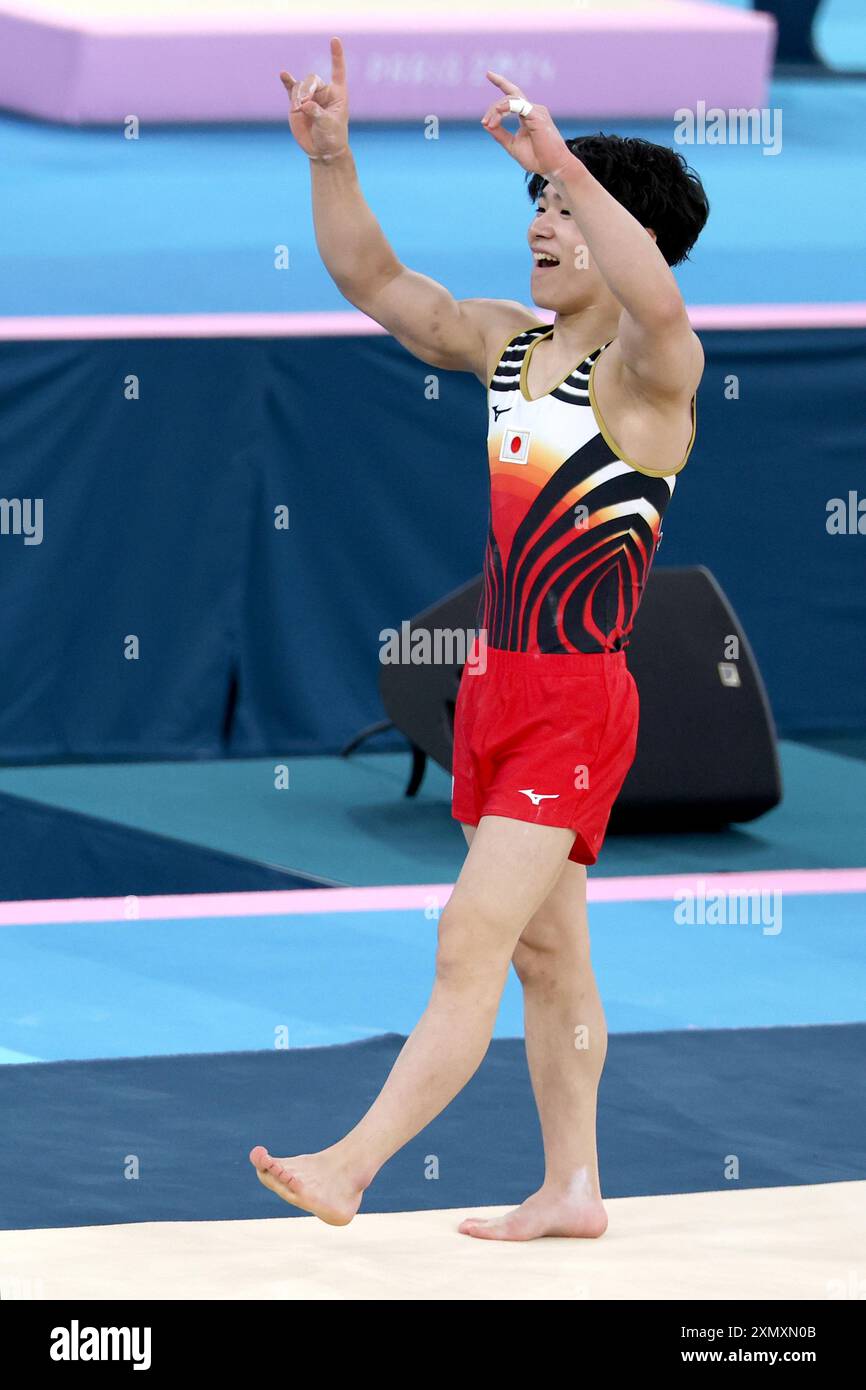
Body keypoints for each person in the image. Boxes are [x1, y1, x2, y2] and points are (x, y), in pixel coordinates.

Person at [250, 36, 709, 1241]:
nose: (539, 227)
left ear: (624, 237)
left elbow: (655, 299)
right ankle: (572, 1189)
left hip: (571, 703)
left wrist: (566, 152)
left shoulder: (650, 378)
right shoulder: (508, 345)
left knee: (468, 935)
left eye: (562, 211)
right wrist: (333, 158)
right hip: (493, 691)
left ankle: (352, 1165)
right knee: (546, 960)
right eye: (536, 207)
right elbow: (380, 285)